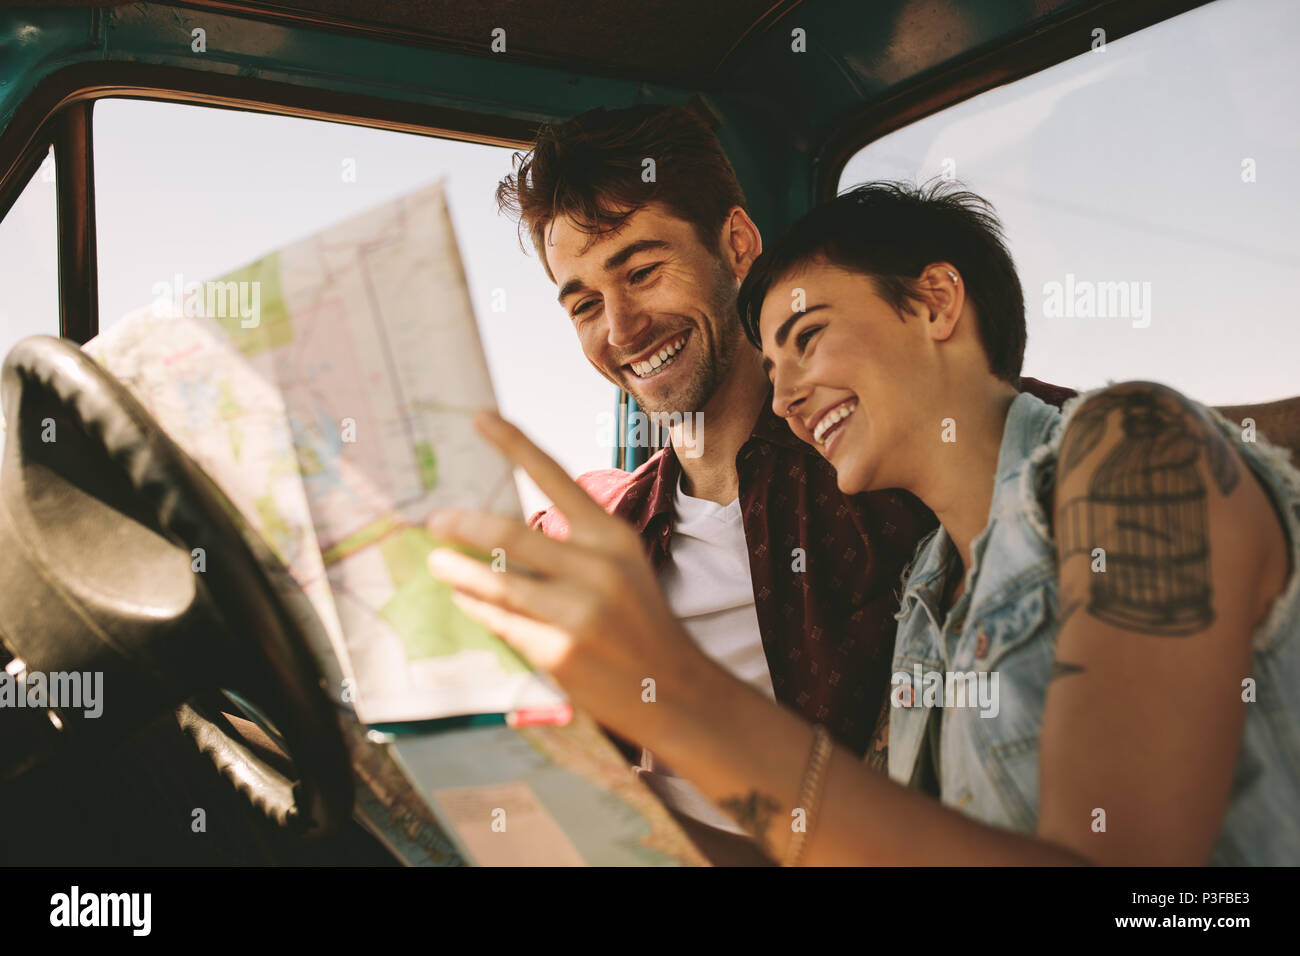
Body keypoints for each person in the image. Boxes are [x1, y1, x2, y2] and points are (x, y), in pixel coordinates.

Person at [427, 181, 1300, 864]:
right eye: (769, 364)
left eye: (806, 337)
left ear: (935, 304)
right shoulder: (926, 605)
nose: (785, 393)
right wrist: (604, 808)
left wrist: (677, 693)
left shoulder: (1135, 449)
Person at [494, 104, 1072, 859]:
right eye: (584, 305)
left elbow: (1033, 421)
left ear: (735, 246)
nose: (622, 327)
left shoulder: (895, 446)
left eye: (642, 272)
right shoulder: (590, 527)